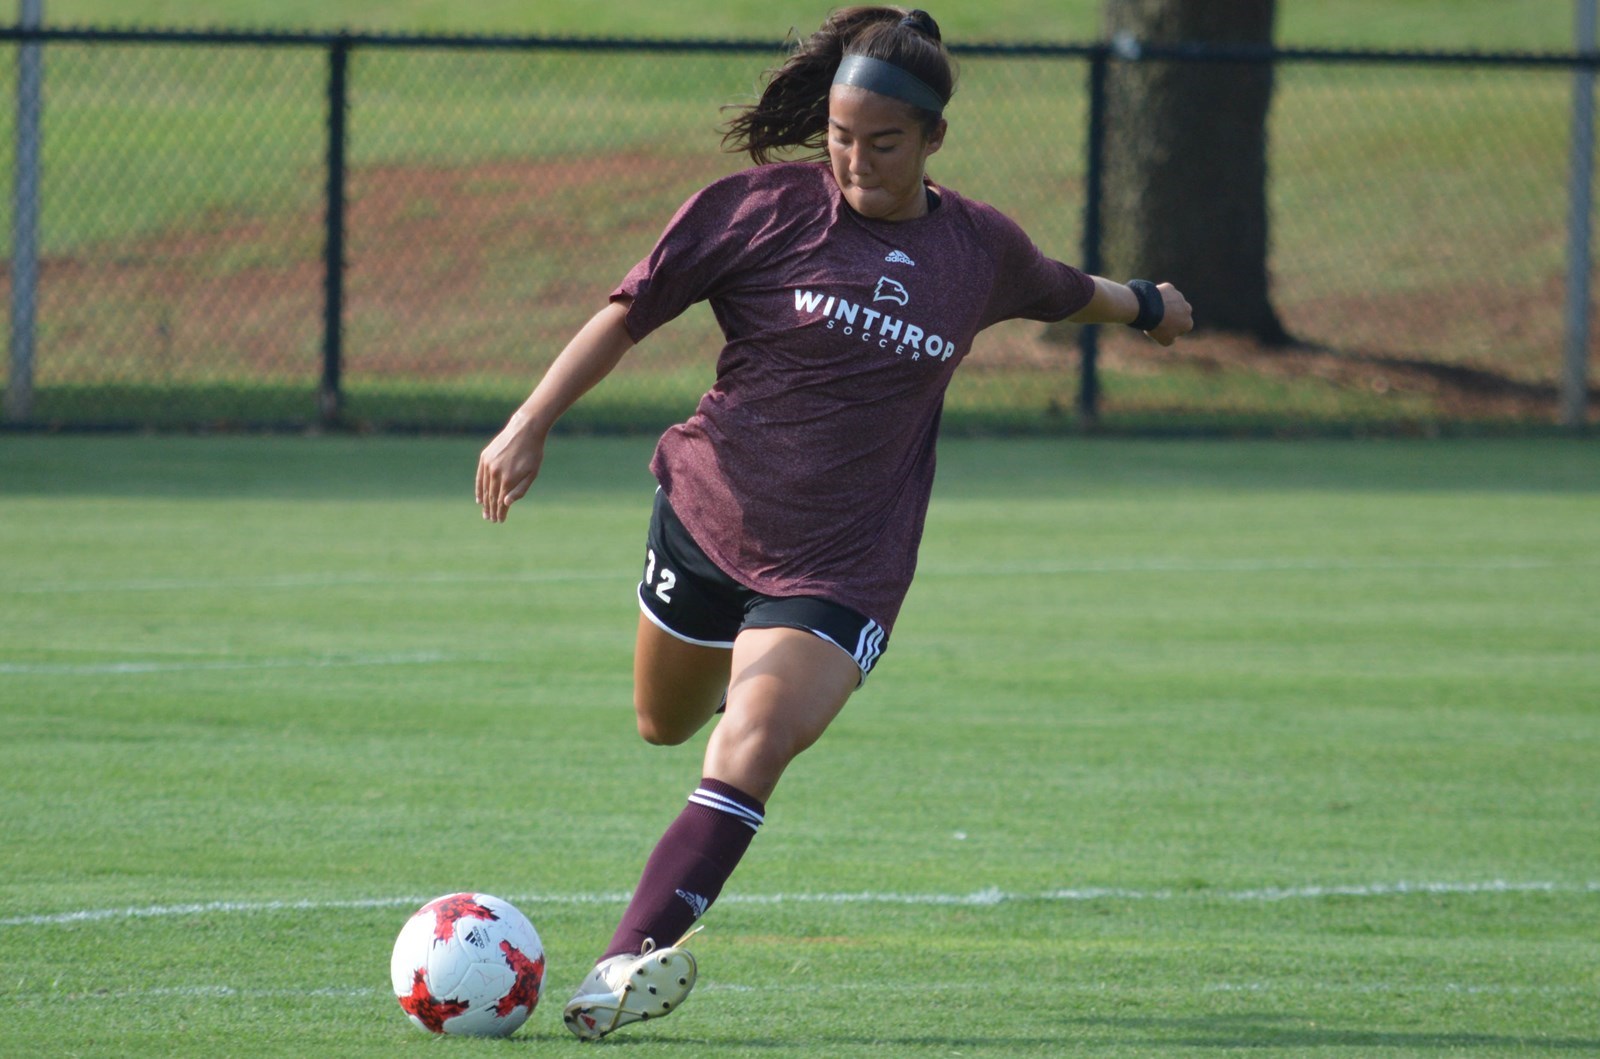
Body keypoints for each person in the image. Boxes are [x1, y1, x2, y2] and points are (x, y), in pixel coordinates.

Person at [475, 5, 1192, 1040]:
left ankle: (619, 968)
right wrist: (528, 422)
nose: (855, 159)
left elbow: (1061, 291)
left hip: (842, 564)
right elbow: (630, 310)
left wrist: (1145, 306)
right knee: (663, 722)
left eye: (882, 142)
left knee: (749, 737)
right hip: (708, 516)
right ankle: (720, 707)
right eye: (841, 137)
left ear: (935, 138)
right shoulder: (761, 210)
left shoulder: (975, 249)